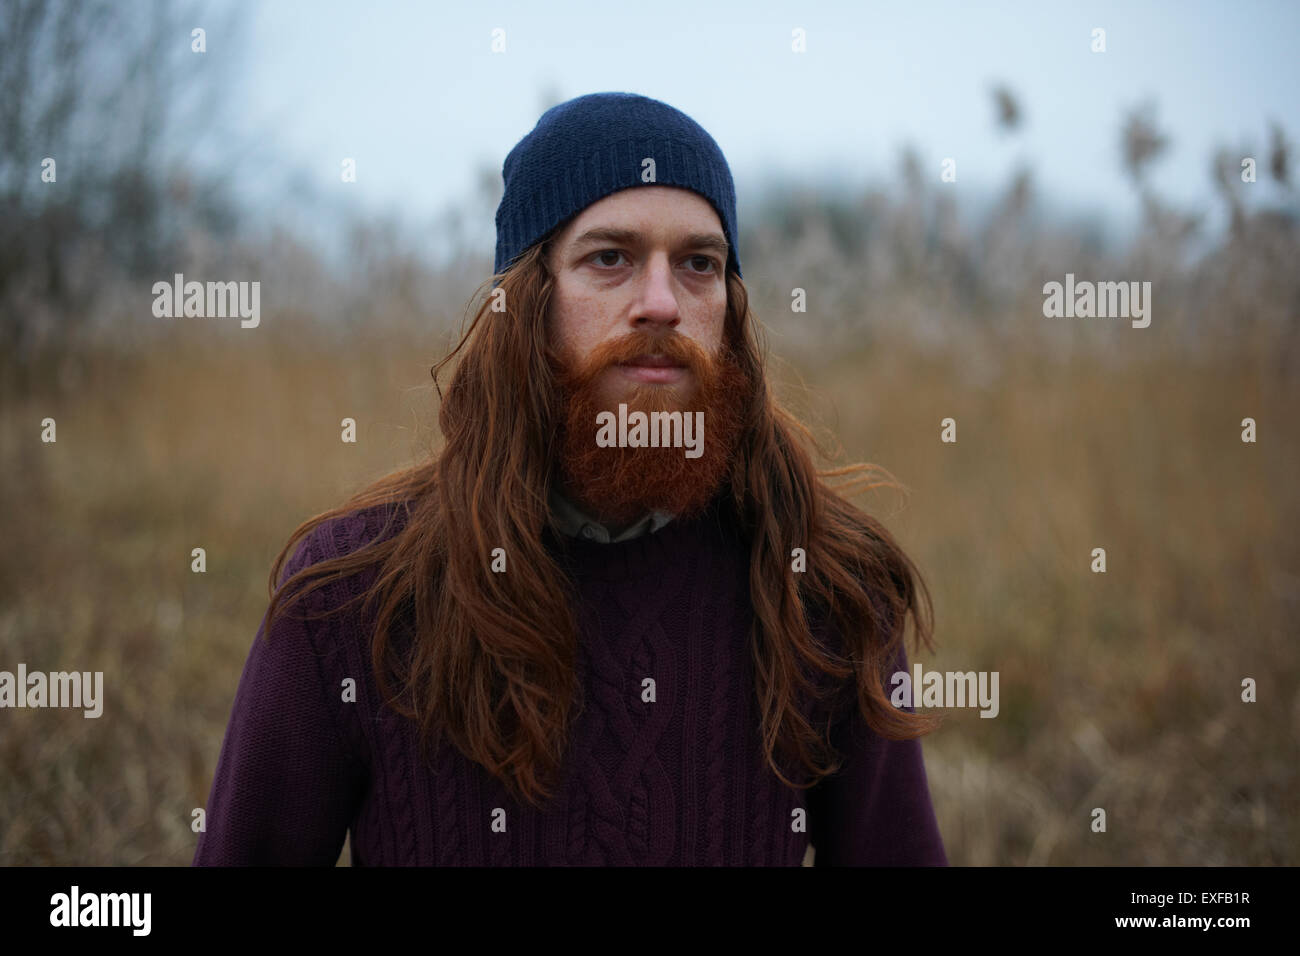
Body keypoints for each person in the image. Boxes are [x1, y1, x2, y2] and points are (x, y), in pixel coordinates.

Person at [193, 91, 947, 866]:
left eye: (699, 263)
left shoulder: (824, 588)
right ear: (528, 301)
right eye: (610, 258)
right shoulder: (350, 598)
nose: (662, 304)